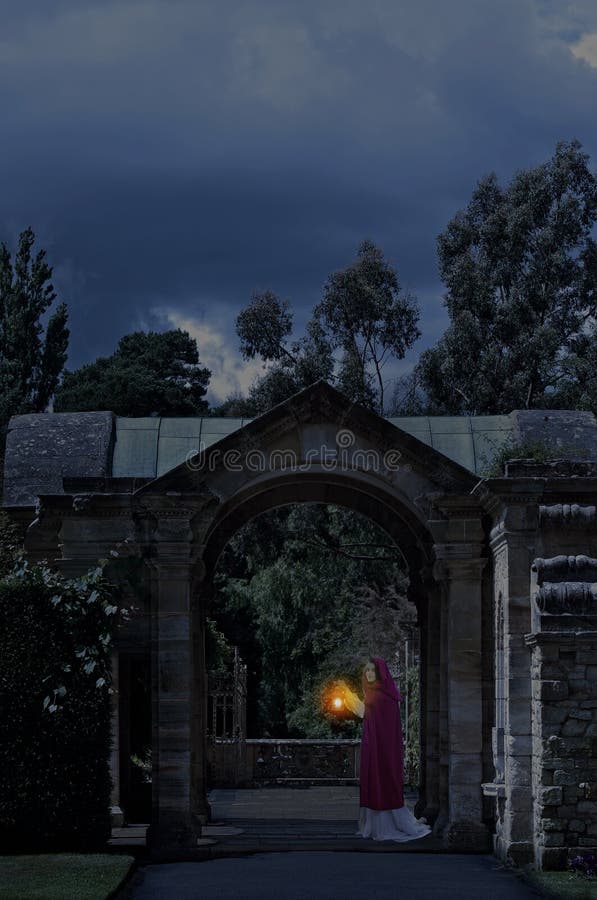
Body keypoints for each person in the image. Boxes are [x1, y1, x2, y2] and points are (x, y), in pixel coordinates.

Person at [339, 657, 431, 842]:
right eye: (367, 671)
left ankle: (385, 826)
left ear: (380, 673)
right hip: (376, 747)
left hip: (381, 750)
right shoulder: (380, 693)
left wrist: (346, 693)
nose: (369, 674)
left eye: (372, 670)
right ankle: (377, 826)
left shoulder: (380, 695)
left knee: (380, 781)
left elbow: (362, 711)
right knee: (375, 781)